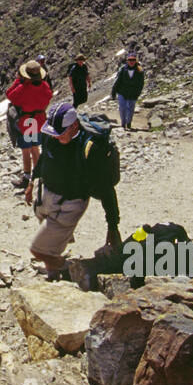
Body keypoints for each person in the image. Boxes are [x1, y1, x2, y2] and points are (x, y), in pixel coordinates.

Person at [23, 103, 118, 279]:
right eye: (53, 133)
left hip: (71, 203)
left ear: (74, 126)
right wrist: (31, 182)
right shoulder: (52, 135)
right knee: (47, 236)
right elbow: (44, 159)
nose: (55, 137)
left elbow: (105, 188)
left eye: (60, 133)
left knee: (38, 251)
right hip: (47, 196)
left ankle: (65, 266)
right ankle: (55, 271)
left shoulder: (90, 149)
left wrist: (113, 225)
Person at [6, 60, 53, 187]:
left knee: (26, 150)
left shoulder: (23, 88)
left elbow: (9, 95)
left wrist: (18, 81)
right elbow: (49, 96)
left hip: (27, 122)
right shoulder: (45, 86)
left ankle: (26, 177)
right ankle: (39, 175)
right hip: (39, 120)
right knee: (35, 148)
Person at [110, 51, 144, 130]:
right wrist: (113, 92)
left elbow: (141, 83)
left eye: (133, 60)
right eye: (130, 60)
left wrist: (138, 93)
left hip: (133, 93)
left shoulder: (140, 70)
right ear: (127, 61)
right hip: (122, 91)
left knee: (131, 109)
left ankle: (129, 123)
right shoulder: (122, 69)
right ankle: (123, 123)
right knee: (122, 108)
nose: (131, 62)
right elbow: (117, 81)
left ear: (136, 61)